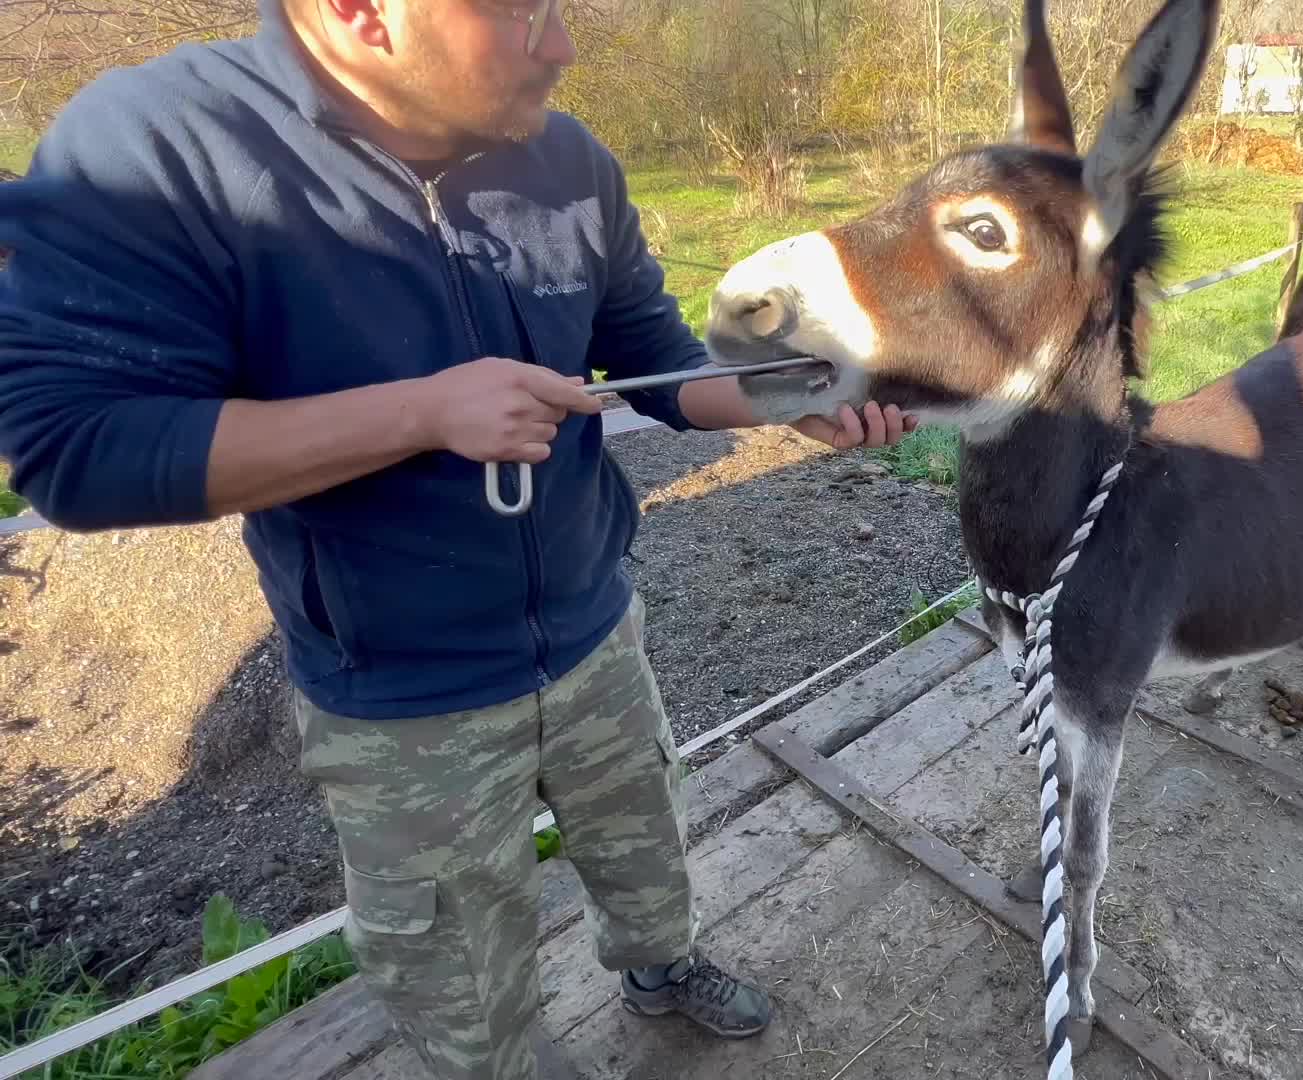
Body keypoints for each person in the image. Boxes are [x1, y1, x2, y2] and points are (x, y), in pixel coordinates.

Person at [0, 0, 918, 1076]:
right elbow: (77, 451)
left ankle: (659, 966)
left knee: (644, 845)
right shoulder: (155, 153)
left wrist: (781, 395)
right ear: (357, 11)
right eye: (524, 12)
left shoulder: (565, 157)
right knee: (457, 959)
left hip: (592, 629)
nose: (564, 45)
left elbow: (651, 360)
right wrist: (422, 413)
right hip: (400, 695)